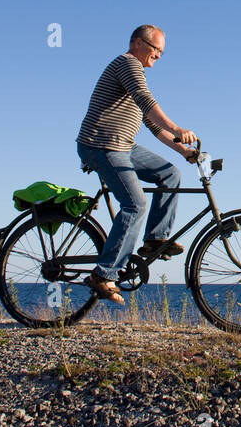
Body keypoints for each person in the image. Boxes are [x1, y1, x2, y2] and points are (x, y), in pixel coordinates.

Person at [76, 25, 199, 304]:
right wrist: (177, 127)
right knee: (136, 204)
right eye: (155, 48)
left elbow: (153, 125)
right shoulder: (127, 63)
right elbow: (147, 101)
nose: (157, 55)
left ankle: (155, 239)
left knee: (170, 174)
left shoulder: (135, 74)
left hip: (123, 146)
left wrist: (183, 152)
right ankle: (104, 274)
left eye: (161, 52)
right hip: (101, 143)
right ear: (136, 43)